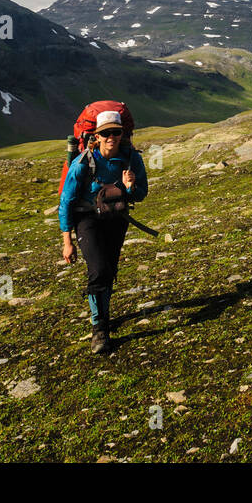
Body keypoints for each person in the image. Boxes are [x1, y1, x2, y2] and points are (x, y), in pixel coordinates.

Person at [59, 109, 148, 353]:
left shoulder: (132, 159)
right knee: (98, 270)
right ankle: (99, 330)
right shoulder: (82, 163)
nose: (111, 137)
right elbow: (66, 201)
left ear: (122, 134)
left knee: (109, 270)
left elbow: (142, 194)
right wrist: (68, 241)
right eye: (105, 133)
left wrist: (130, 189)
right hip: (87, 219)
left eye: (116, 133)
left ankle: (104, 314)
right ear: (96, 136)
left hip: (117, 219)